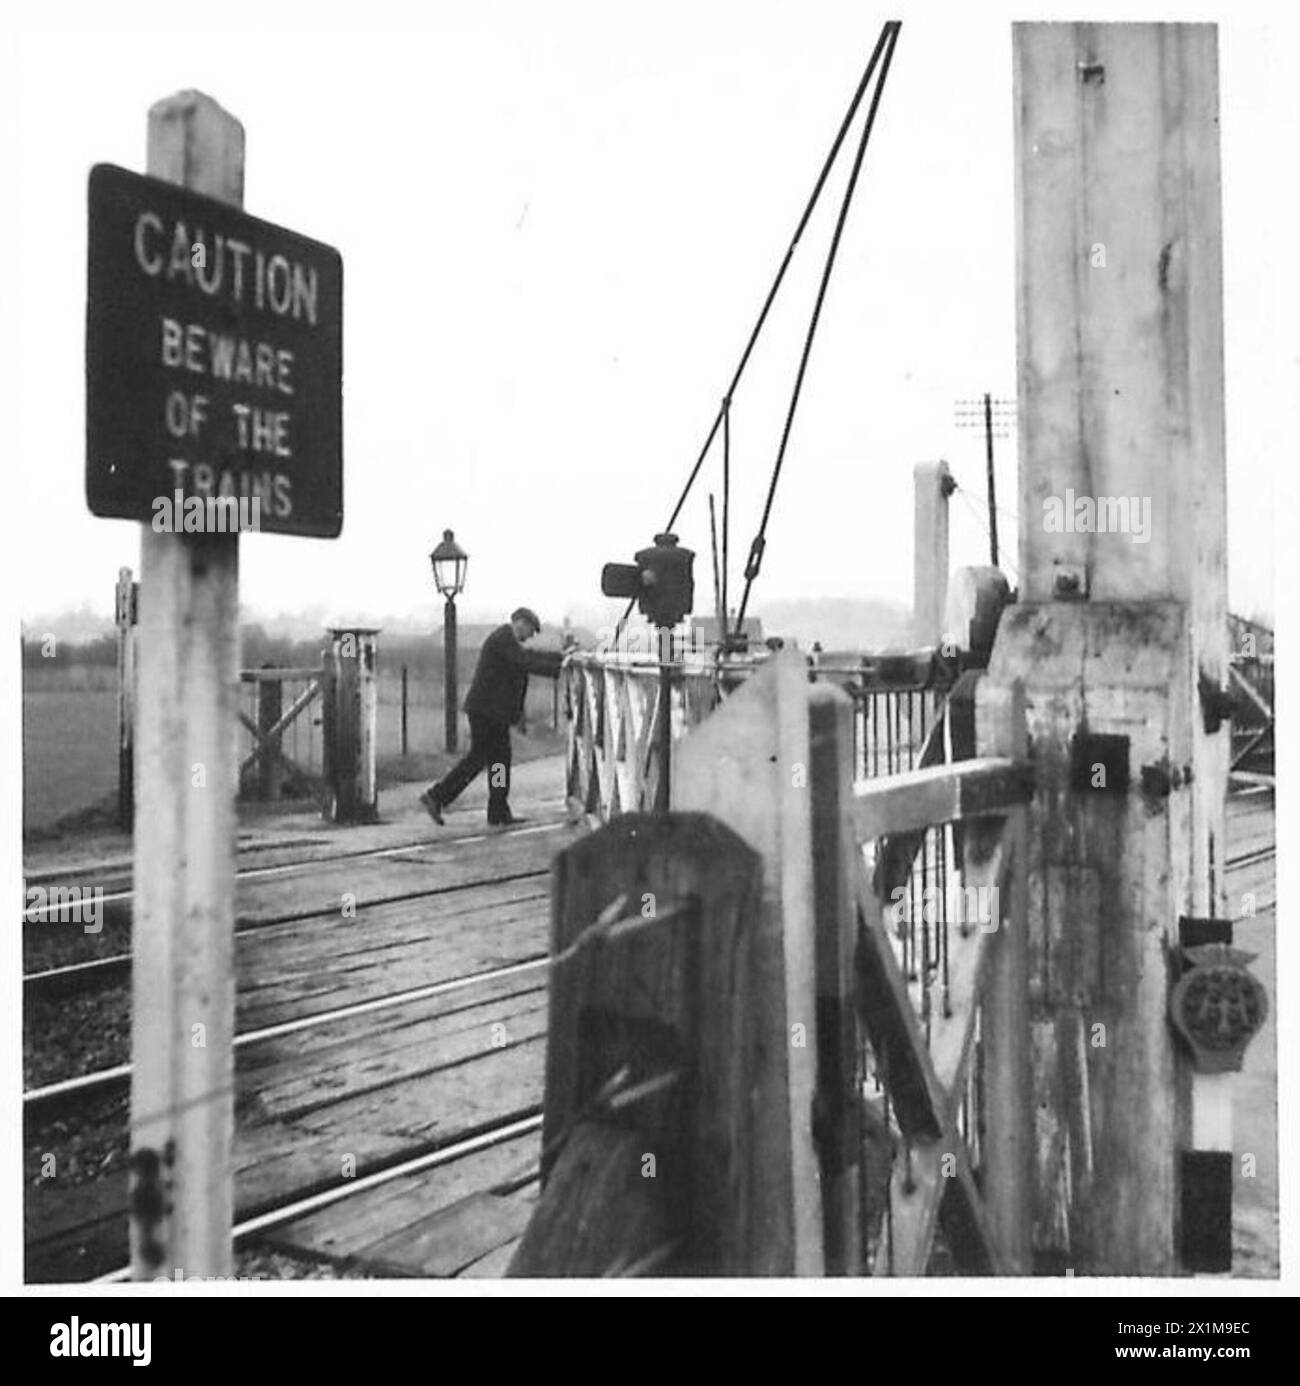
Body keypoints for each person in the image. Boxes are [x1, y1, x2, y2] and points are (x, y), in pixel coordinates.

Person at [419, 607, 564, 828]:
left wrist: (560, 659)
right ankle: (437, 796)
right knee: (480, 759)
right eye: (530, 631)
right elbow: (524, 661)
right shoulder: (502, 640)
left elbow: (529, 656)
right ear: (520, 622)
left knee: (498, 761)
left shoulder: (506, 642)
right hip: (486, 712)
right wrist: (560, 666)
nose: (529, 636)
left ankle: (497, 810)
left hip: (492, 713)